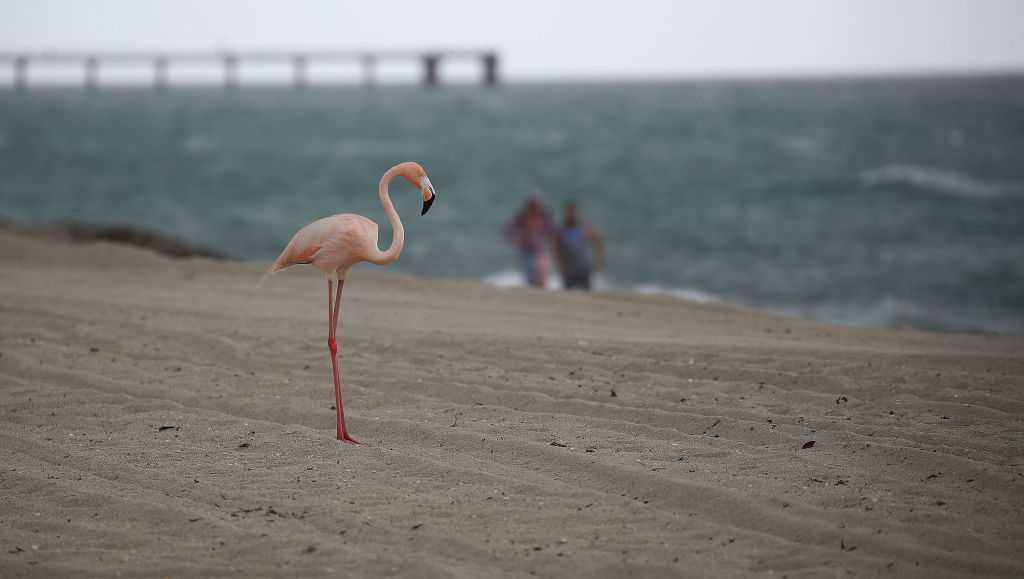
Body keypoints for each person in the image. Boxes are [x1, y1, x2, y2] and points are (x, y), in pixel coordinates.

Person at [504, 195, 555, 288]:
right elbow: (508, 230)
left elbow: (552, 232)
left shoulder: (544, 217)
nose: (535, 208)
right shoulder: (522, 218)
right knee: (531, 279)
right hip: (526, 252)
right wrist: (517, 240)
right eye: (533, 206)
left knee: (541, 276)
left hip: (540, 251)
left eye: (537, 205)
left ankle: (542, 295)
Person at [554, 201, 605, 290]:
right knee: (567, 296)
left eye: (573, 212)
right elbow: (557, 250)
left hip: (584, 268)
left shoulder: (584, 228)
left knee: (587, 296)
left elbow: (598, 241)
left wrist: (600, 260)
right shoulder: (561, 231)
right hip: (569, 270)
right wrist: (561, 266)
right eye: (569, 212)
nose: (571, 215)